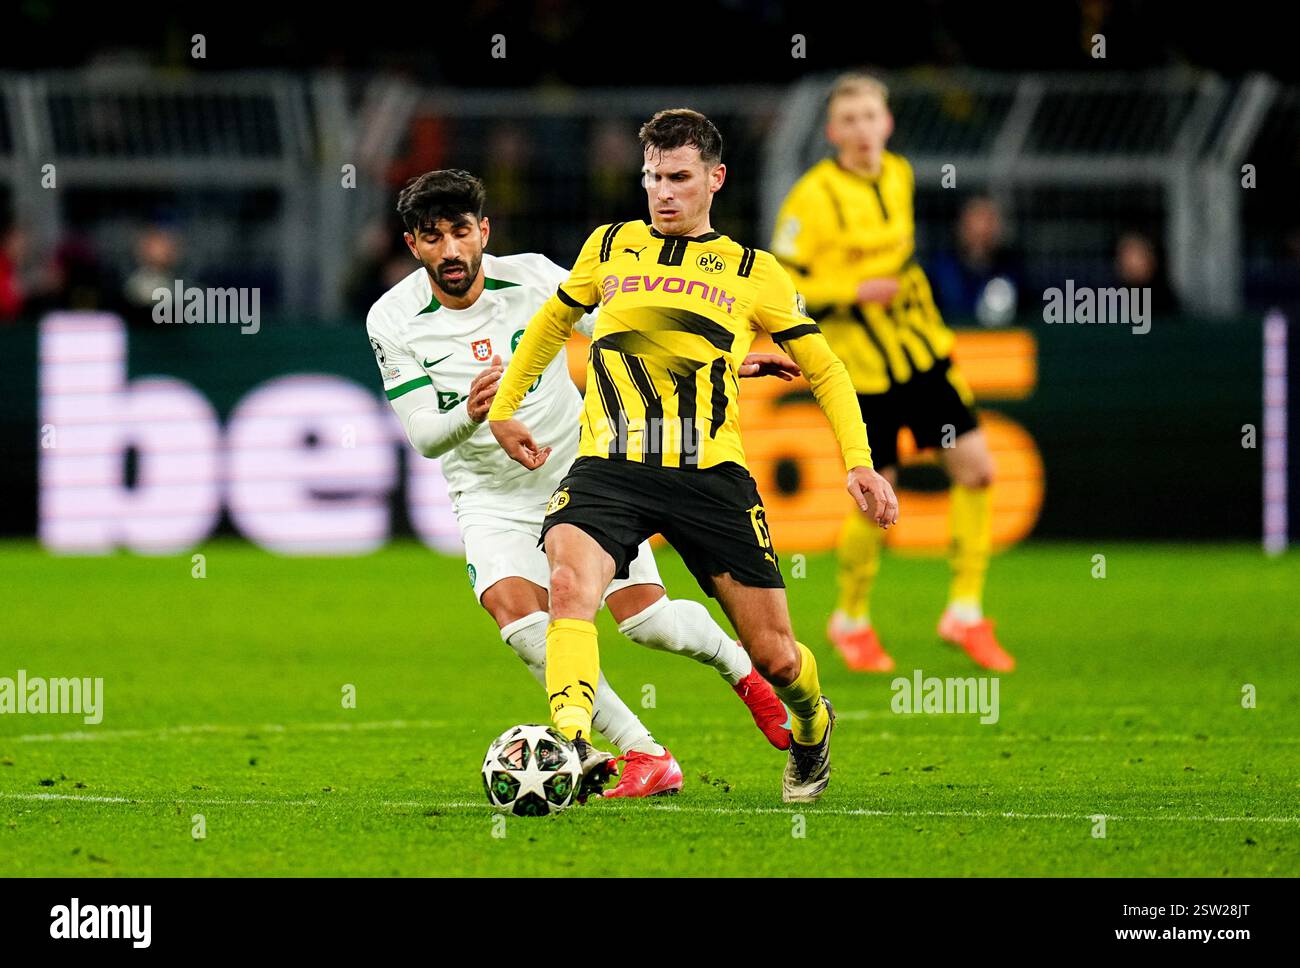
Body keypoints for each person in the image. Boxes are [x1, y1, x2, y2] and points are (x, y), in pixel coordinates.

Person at [488, 110, 898, 803]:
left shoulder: (753, 272)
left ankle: (811, 723)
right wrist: (505, 408)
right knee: (567, 584)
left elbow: (825, 368)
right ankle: (572, 738)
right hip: (609, 468)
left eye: (679, 178)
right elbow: (550, 325)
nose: (663, 193)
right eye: (652, 178)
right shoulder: (610, 246)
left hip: (710, 478)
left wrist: (857, 459)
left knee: (775, 656)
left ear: (716, 179)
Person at [366, 168, 795, 799]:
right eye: (432, 238)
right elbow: (426, 435)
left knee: (646, 624)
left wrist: (725, 358)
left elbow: (626, 333)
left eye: (461, 232)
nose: (450, 251)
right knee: (520, 625)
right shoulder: (392, 318)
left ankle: (745, 675)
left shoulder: (537, 275)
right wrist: (474, 412)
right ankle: (645, 754)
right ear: (412, 244)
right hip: (487, 496)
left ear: (484, 231)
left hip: (584, 474)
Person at [772, 72, 1014, 674]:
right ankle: (851, 618)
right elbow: (781, 284)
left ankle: (965, 610)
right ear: (832, 132)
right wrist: (851, 289)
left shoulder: (900, 175)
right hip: (861, 371)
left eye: (870, 117)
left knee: (979, 469)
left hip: (920, 352)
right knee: (879, 497)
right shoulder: (813, 196)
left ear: (888, 123)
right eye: (849, 120)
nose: (862, 129)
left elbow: (900, 259)